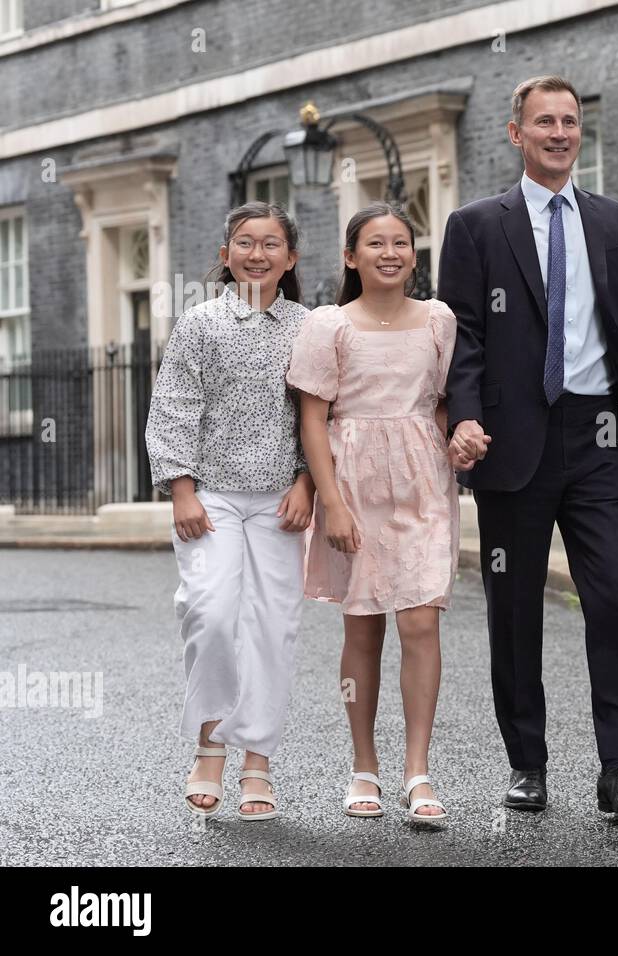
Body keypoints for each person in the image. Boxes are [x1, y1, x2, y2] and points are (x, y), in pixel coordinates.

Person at [438, 75, 618, 820]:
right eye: (543, 122)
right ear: (515, 133)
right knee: (514, 608)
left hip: (602, 435)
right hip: (511, 441)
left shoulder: (613, 223)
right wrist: (463, 416)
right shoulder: (477, 225)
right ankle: (527, 764)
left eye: (570, 122)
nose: (559, 132)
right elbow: (466, 335)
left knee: (614, 597)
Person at [288, 202, 459, 827]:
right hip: (352, 483)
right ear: (351, 257)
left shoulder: (439, 321)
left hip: (423, 483)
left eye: (401, 243)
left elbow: (444, 404)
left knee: (421, 625)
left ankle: (418, 771)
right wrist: (329, 501)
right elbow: (312, 418)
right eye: (376, 243)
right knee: (362, 627)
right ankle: (365, 765)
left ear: (414, 255)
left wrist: (461, 438)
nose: (390, 253)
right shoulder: (328, 325)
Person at [146, 201, 314, 821]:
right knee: (211, 611)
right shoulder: (198, 324)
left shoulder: (307, 327)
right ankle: (210, 743)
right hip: (210, 497)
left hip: (280, 500)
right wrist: (181, 488)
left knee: (273, 626)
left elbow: (319, 416)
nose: (257, 254)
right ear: (225, 255)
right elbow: (173, 407)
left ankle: (258, 761)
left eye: (271, 245)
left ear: (290, 259)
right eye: (245, 243)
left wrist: (307, 483)